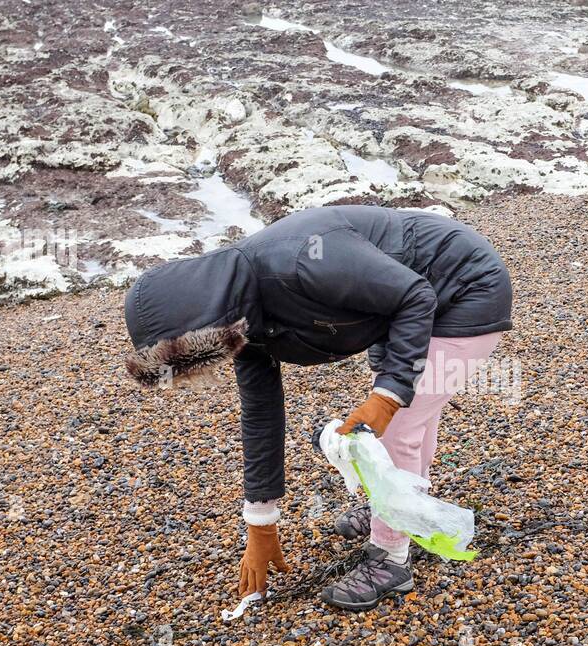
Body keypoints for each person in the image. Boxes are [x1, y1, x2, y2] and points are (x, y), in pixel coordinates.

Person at [123, 205, 512, 611]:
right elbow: (261, 416)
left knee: (399, 424)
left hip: (464, 288)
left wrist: (388, 395)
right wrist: (261, 525)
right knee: (410, 418)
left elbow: (416, 295)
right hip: (393, 305)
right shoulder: (240, 318)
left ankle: (391, 558)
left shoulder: (298, 263)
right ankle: (406, 510)